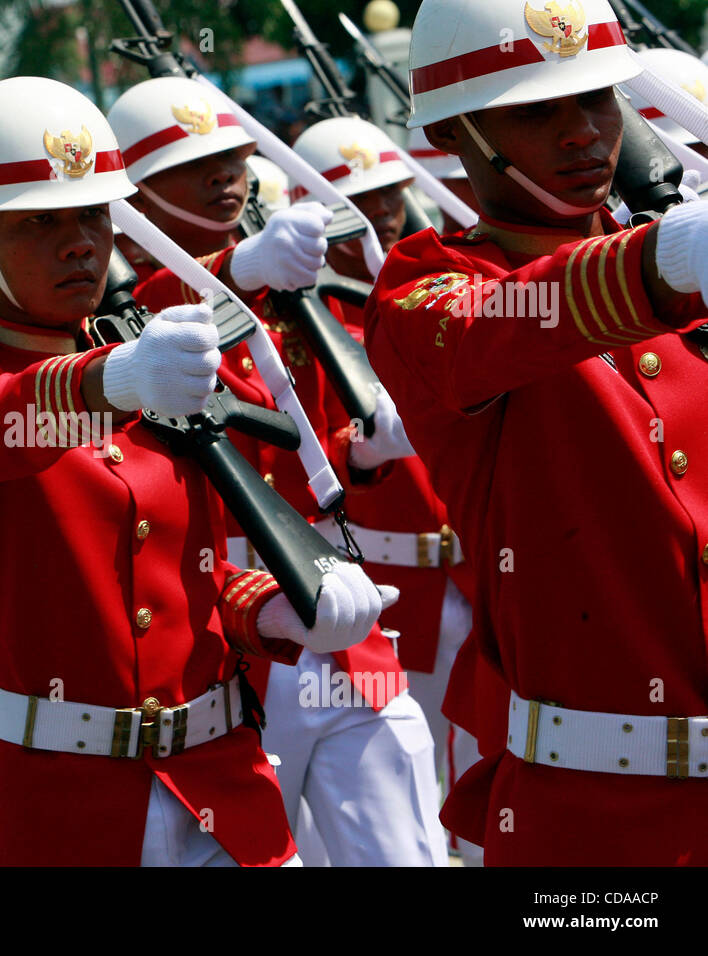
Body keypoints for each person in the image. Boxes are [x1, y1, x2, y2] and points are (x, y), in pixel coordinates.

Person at [0, 75, 392, 866]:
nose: (78, 241)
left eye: (90, 215)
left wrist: (277, 611)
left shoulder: (157, 358)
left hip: (223, 785)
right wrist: (108, 382)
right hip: (65, 806)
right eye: (40, 223)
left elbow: (194, 571)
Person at [367, 0, 708, 864]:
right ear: (455, 132)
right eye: (536, 110)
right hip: (591, 812)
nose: (584, 134)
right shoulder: (427, 288)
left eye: (596, 100)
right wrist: (664, 259)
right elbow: (497, 325)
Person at [109, 75, 446, 865]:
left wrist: (366, 448)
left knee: (404, 849)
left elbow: (318, 440)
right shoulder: (136, 314)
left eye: (233, 157)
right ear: (137, 201)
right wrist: (236, 267)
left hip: (339, 603)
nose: (226, 177)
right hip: (228, 633)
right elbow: (148, 331)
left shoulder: (278, 284)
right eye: (197, 167)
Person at [294, 113, 480, 864]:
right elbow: (301, 453)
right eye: (356, 199)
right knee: (402, 787)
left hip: (474, 572)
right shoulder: (309, 312)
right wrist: (360, 449)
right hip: (386, 577)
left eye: (388, 190)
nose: (378, 211)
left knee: (468, 774)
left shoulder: (434, 282)